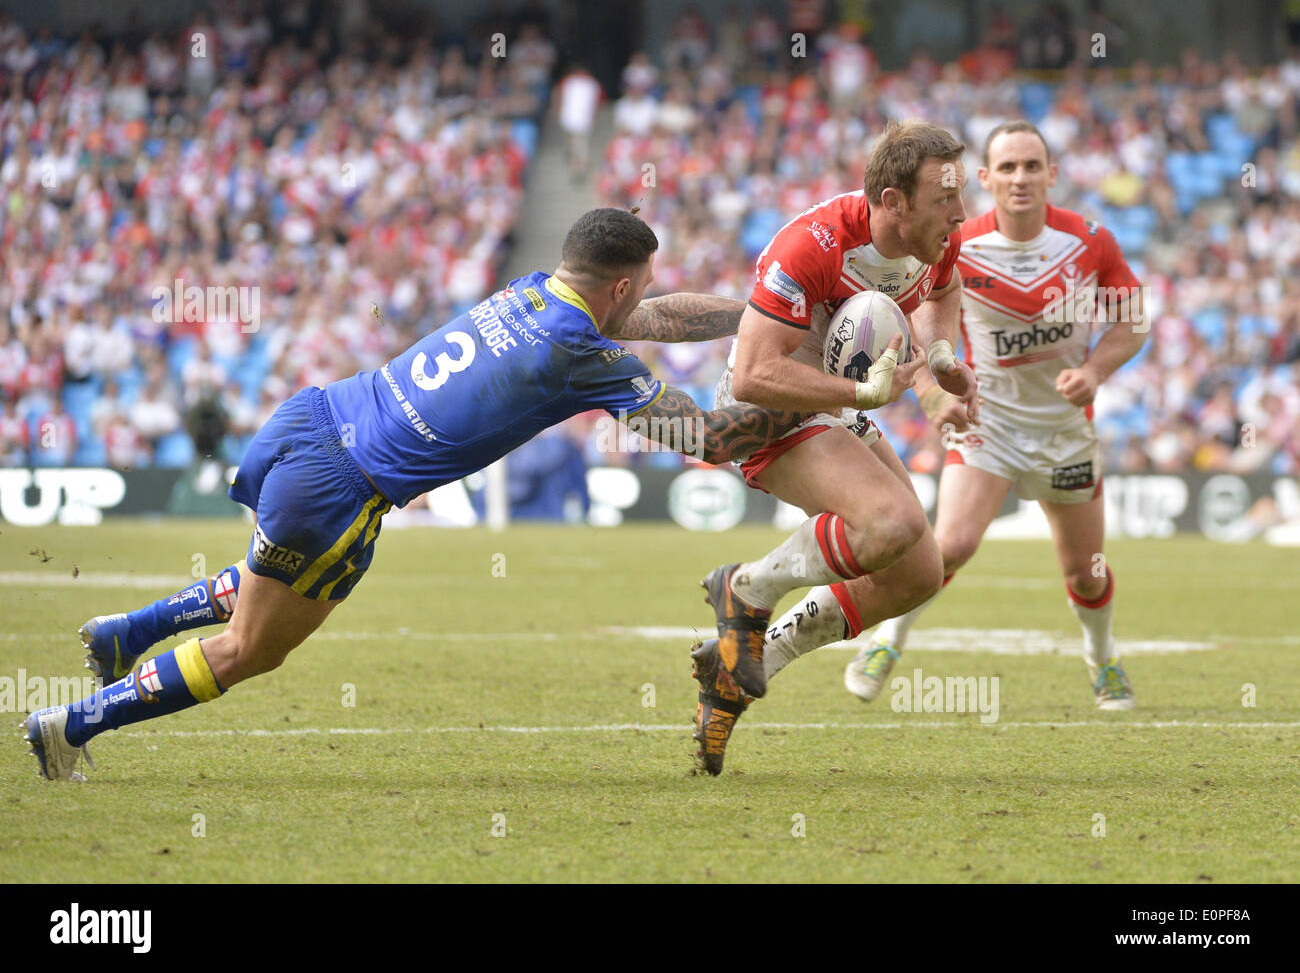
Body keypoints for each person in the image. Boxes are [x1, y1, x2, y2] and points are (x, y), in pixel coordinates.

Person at [24, 208, 809, 781]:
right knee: (252, 648)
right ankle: (70, 727)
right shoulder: (581, 352)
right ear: (623, 283)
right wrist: (809, 390)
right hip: (341, 489)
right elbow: (707, 440)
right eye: (640, 288)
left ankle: (125, 633)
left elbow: (656, 317)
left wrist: (769, 317)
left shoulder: (534, 291)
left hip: (311, 417)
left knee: (271, 582)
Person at [692, 120, 980, 775]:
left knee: (917, 573)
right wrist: (860, 396)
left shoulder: (938, 239)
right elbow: (752, 373)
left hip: (833, 406)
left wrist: (938, 356)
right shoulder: (812, 244)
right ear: (892, 201)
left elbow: (943, 288)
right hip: (766, 413)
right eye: (945, 200)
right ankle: (747, 589)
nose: (961, 214)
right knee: (894, 523)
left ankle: (740, 666)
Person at [844, 120, 1148, 709]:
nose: (1020, 178)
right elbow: (910, 325)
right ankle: (887, 639)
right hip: (989, 427)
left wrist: (1093, 374)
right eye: (1006, 167)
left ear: (1052, 174)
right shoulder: (955, 245)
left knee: (1086, 573)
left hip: (1064, 433)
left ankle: (1103, 657)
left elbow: (1132, 322)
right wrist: (934, 396)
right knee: (949, 545)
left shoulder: (1092, 242)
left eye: (1032, 165)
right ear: (983, 178)